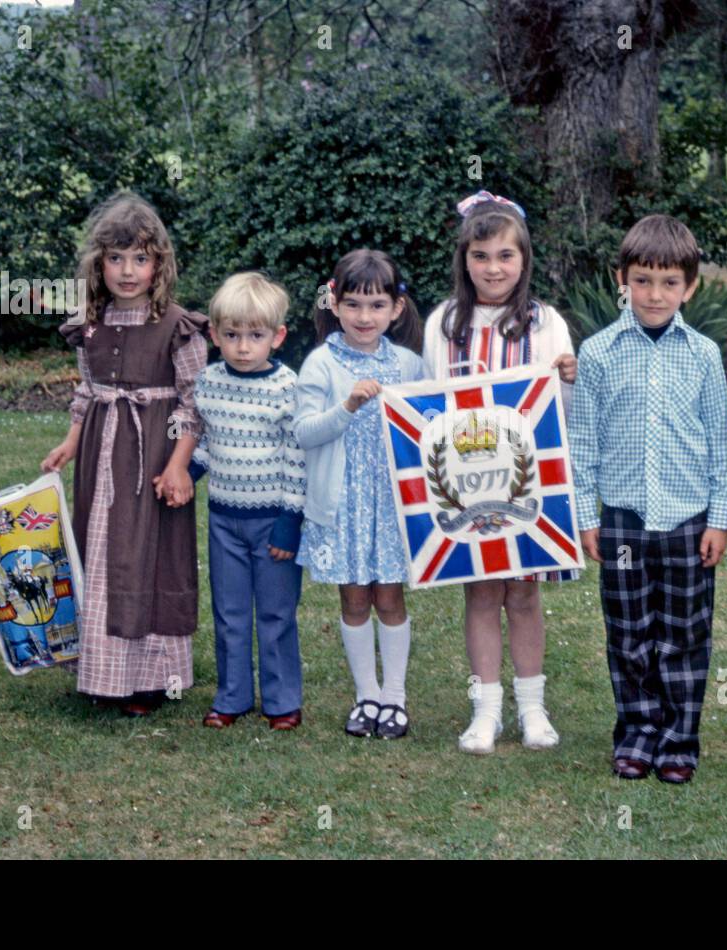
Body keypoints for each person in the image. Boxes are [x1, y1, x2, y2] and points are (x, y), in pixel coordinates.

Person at [569, 214, 727, 783]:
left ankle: (678, 741)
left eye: (669, 283)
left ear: (689, 286)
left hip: (688, 521)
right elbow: (583, 442)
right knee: (629, 631)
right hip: (621, 521)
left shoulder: (704, 354)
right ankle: (637, 734)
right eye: (643, 280)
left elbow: (720, 444)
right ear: (623, 279)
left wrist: (719, 519)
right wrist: (587, 517)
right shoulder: (598, 352)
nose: (655, 294)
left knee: (685, 633)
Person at [422, 191, 578, 755]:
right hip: (466, 484)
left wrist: (568, 376)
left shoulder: (546, 321)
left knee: (525, 595)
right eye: (481, 255)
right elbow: (432, 408)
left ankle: (533, 708)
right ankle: (485, 707)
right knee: (482, 594)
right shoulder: (444, 322)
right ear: (465, 259)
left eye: (505, 256)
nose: (493, 267)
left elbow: (564, 409)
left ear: (524, 259)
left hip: (528, 483)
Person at [41, 192, 208, 717]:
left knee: (148, 555)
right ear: (99, 264)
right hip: (100, 452)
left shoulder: (177, 325)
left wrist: (179, 462)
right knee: (100, 547)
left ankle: (151, 678)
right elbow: (87, 391)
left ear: (159, 263)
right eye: (116, 259)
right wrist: (71, 439)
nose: (127, 270)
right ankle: (102, 671)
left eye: (140, 258)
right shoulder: (91, 323)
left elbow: (193, 402)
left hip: (152, 455)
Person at [294, 249, 425, 739]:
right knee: (353, 600)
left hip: (392, 505)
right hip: (344, 502)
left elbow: (433, 426)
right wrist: (347, 405)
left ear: (396, 308)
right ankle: (366, 695)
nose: (364, 317)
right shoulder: (321, 363)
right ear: (334, 304)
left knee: (389, 597)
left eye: (376, 306)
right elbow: (305, 432)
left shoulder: (412, 365)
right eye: (353, 305)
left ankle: (395, 697)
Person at [174, 272, 306, 730]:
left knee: (275, 612)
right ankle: (232, 696)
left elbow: (297, 458)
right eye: (231, 336)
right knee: (229, 612)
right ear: (215, 335)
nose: (243, 347)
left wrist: (291, 522)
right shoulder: (209, 383)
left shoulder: (288, 388)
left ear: (278, 336)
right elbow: (210, 443)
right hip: (224, 521)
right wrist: (185, 474)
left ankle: (282, 698)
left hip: (274, 522)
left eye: (255, 336)